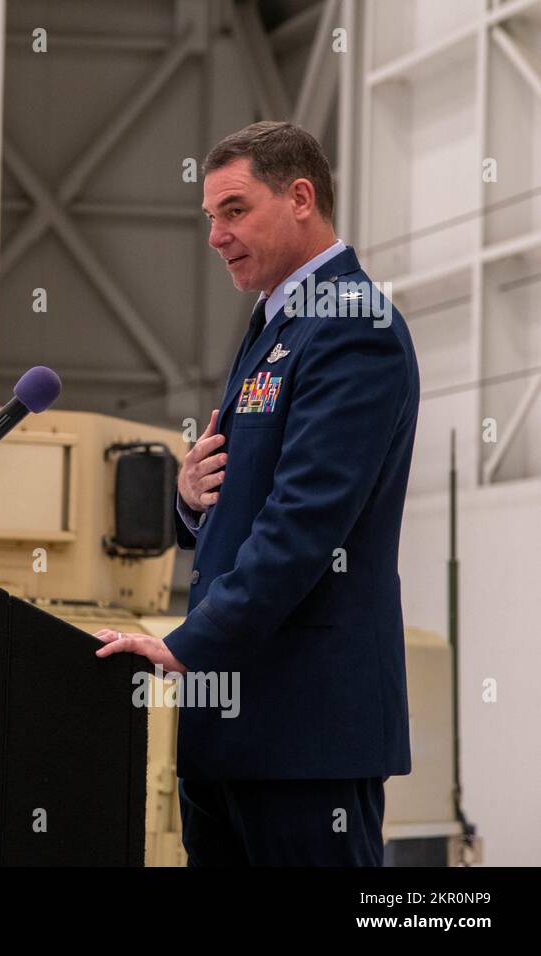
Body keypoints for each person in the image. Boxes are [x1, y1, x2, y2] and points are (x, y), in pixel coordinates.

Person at [94, 121, 419, 866]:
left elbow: (305, 526)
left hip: (306, 730)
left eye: (234, 210)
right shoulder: (277, 321)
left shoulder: (353, 326)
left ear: (300, 197)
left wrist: (185, 648)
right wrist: (191, 495)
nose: (215, 235)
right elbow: (254, 494)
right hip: (233, 730)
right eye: (211, 216)